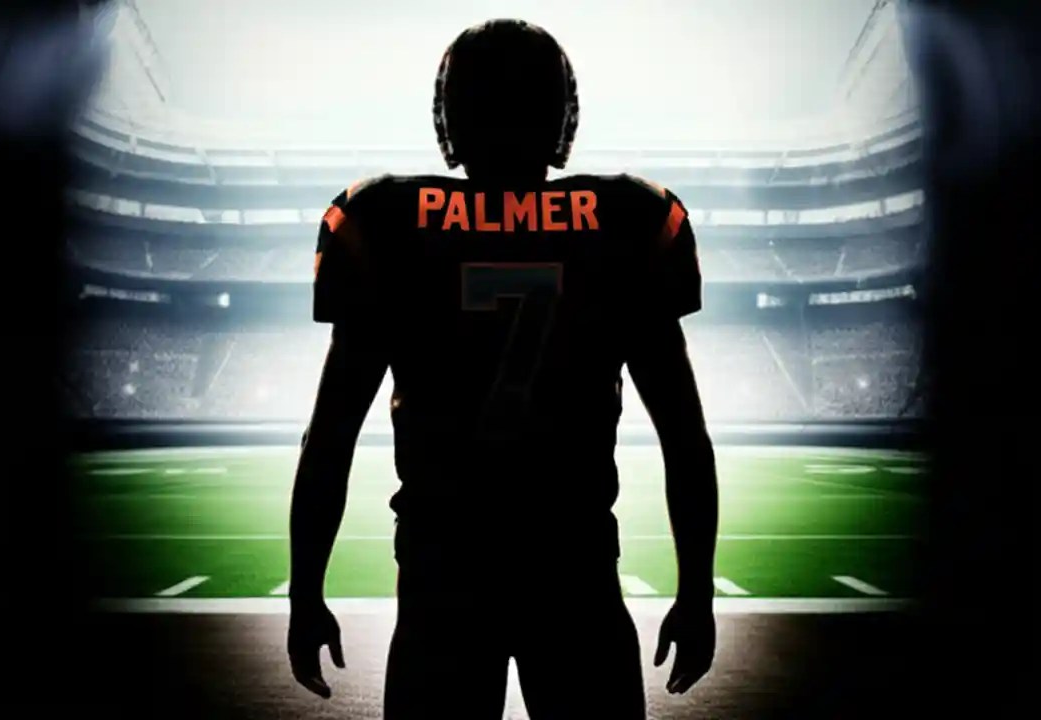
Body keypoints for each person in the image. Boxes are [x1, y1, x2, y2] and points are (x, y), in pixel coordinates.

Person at [286, 19, 718, 719]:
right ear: (561, 112)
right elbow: (684, 437)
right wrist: (695, 592)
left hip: (443, 569)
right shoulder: (628, 221)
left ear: (451, 112)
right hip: (572, 564)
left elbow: (328, 439)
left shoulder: (385, 222)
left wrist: (306, 594)